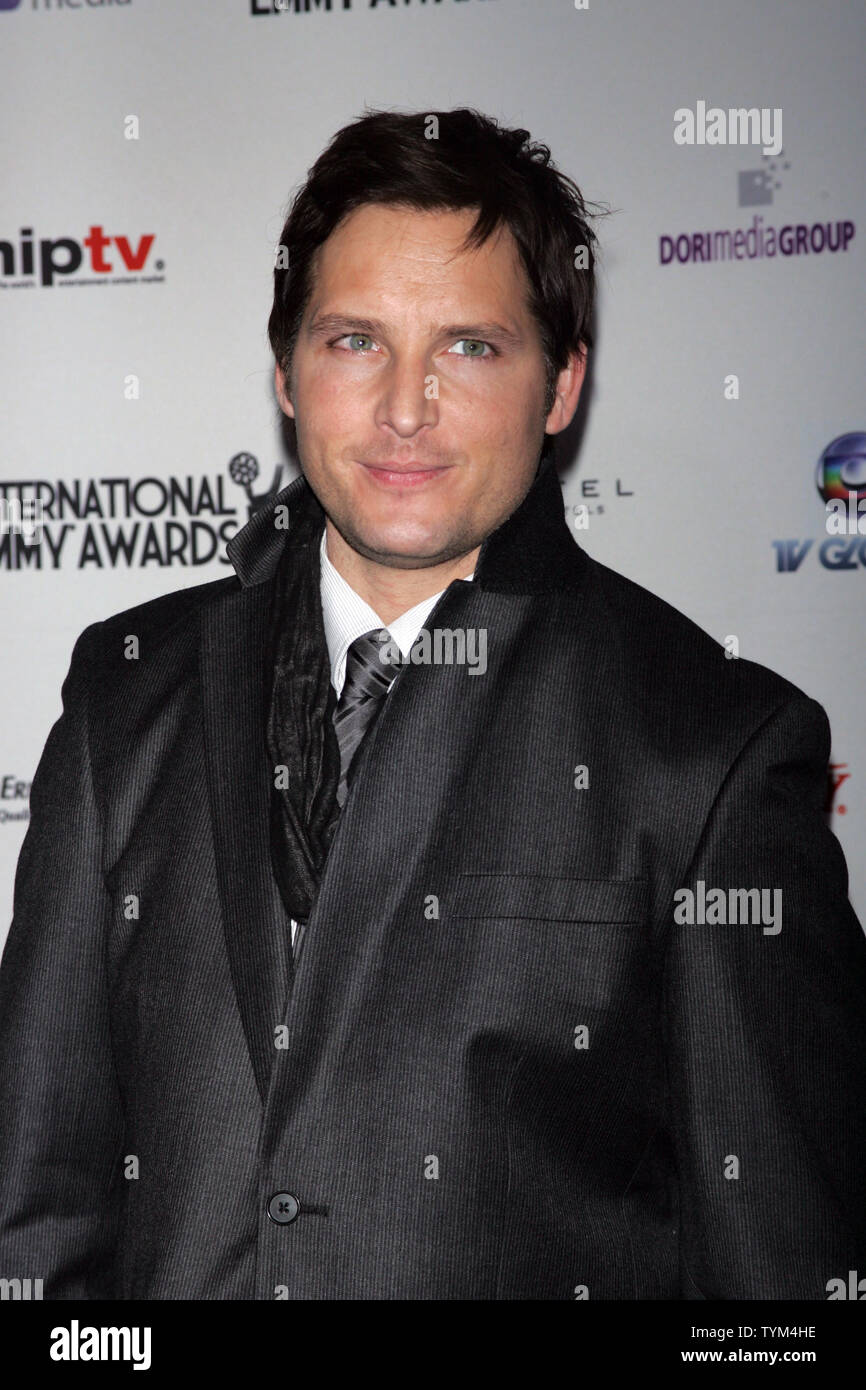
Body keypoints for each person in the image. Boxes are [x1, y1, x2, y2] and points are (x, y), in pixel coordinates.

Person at [1, 107, 864, 1301]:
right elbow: (36, 1211)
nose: (405, 407)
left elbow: (777, 1286)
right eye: (355, 341)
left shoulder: (707, 749)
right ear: (286, 371)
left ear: (560, 386)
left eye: (469, 347)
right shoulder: (127, 688)